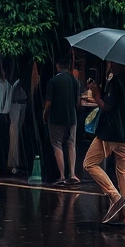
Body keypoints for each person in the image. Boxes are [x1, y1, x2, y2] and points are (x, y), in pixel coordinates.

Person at [84, 62, 125, 225]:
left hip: (110, 133)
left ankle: (114, 196)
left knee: (89, 163)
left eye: (112, 63)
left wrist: (96, 94)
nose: (111, 65)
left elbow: (106, 106)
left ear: (118, 63)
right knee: (123, 171)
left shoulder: (116, 82)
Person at [43, 58, 82, 186]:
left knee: (57, 144)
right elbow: (78, 102)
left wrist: (45, 114)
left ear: (57, 65)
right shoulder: (74, 81)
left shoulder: (53, 81)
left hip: (56, 118)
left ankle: (62, 175)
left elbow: (48, 103)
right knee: (71, 144)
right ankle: (73, 174)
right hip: (72, 118)